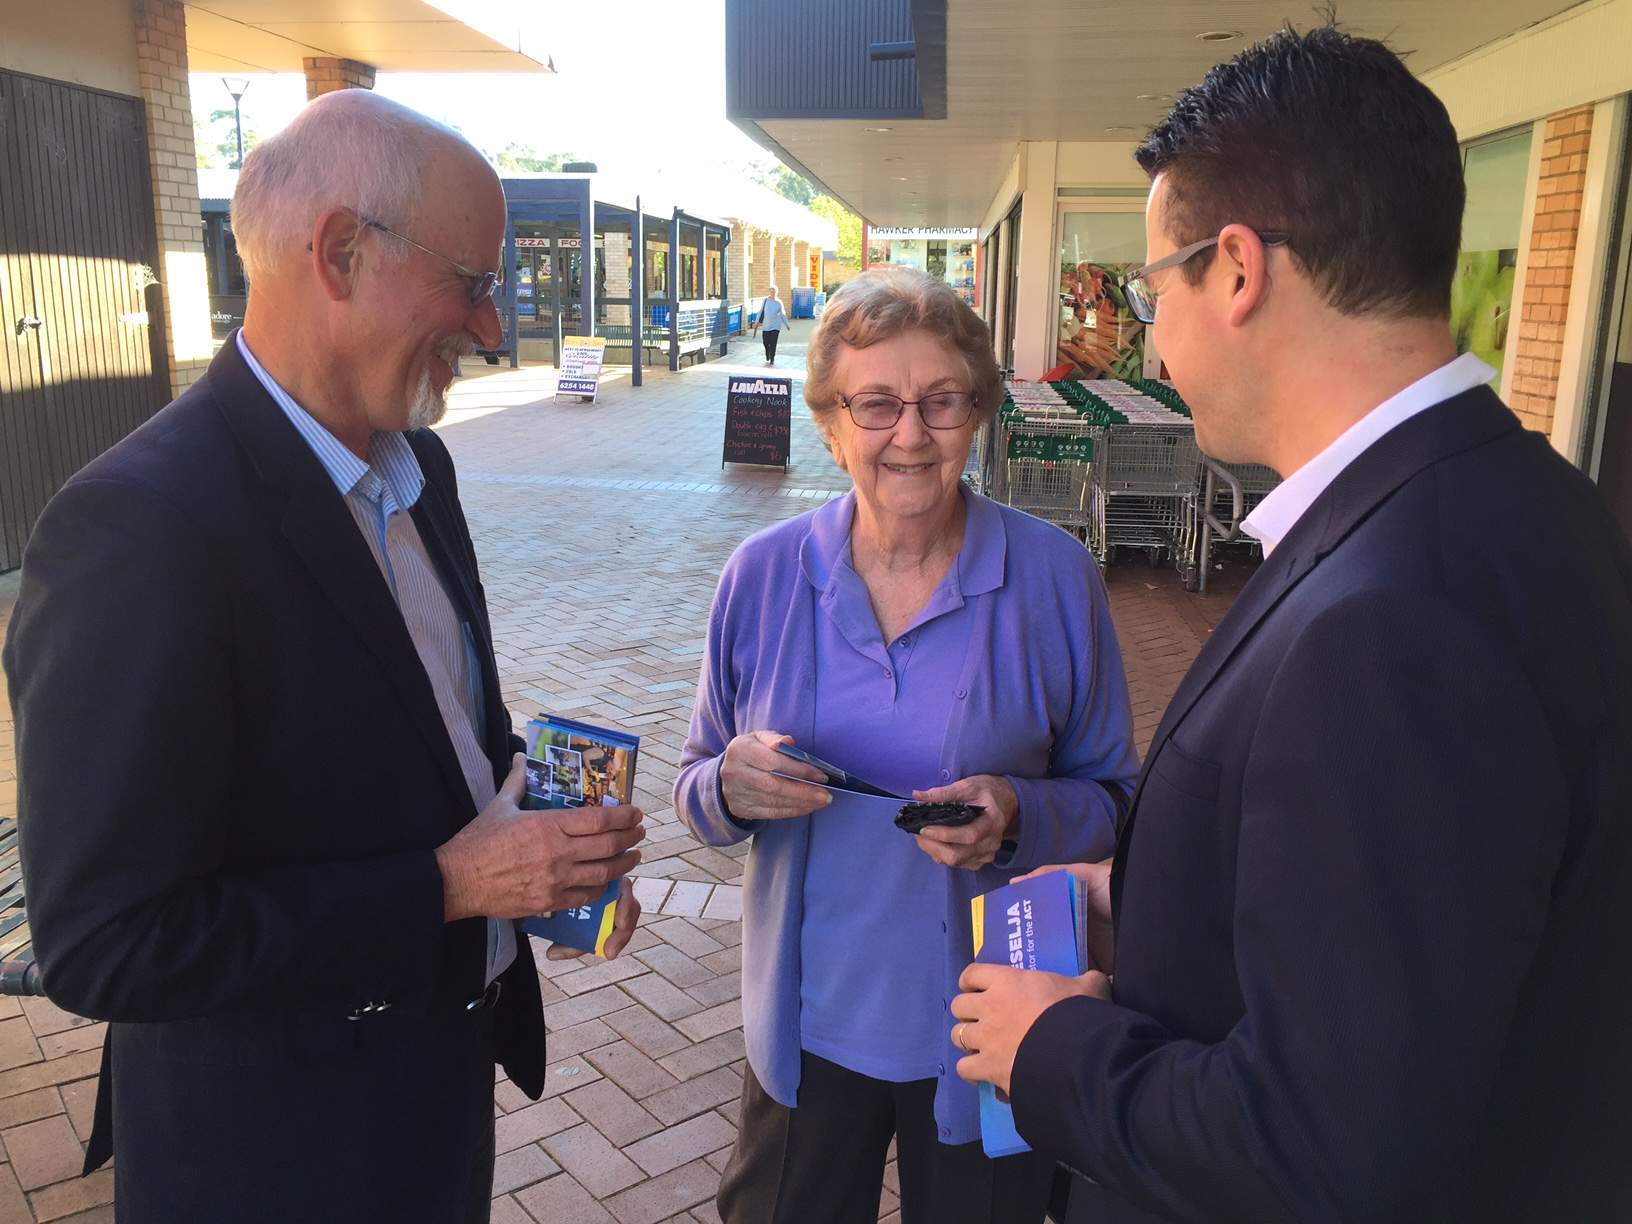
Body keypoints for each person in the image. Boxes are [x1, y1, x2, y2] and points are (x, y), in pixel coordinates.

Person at [950, 25, 1632, 1224]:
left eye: (1157, 287)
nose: (1155, 330)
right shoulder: (1521, 503)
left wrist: (1054, 1049)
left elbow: (1324, 1150)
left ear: (1238, 271)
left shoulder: (1395, 620)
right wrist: (1157, 896)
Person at [1, 90, 647, 1224]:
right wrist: (452, 887)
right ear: (343, 252)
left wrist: (547, 847)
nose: (491, 328)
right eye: (474, 282)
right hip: (272, 1159)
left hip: (432, 1098)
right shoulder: (137, 529)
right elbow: (109, 944)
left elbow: (442, 733)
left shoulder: (417, 472)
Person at [674, 267, 1139, 1223]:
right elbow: (695, 789)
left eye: (941, 401)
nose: (910, 434)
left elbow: (1118, 801)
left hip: (996, 1029)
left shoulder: (1053, 578)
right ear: (832, 421)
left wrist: (1020, 814)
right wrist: (729, 786)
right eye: (876, 403)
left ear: (979, 411)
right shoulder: (761, 577)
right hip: (805, 1031)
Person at [752, 285, 791, 364]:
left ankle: (772, 358)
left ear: (777, 292)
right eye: (771, 291)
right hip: (766, 325)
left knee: (773, 342)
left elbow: (782, 314)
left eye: (774, 292)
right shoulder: (766, 300)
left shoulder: (779, 302)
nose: (773, 293)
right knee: (765, 342)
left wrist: (787, 324)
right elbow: (760, 311)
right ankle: (767, 352)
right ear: (769, 292)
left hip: (775, 325)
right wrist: (756, 322)